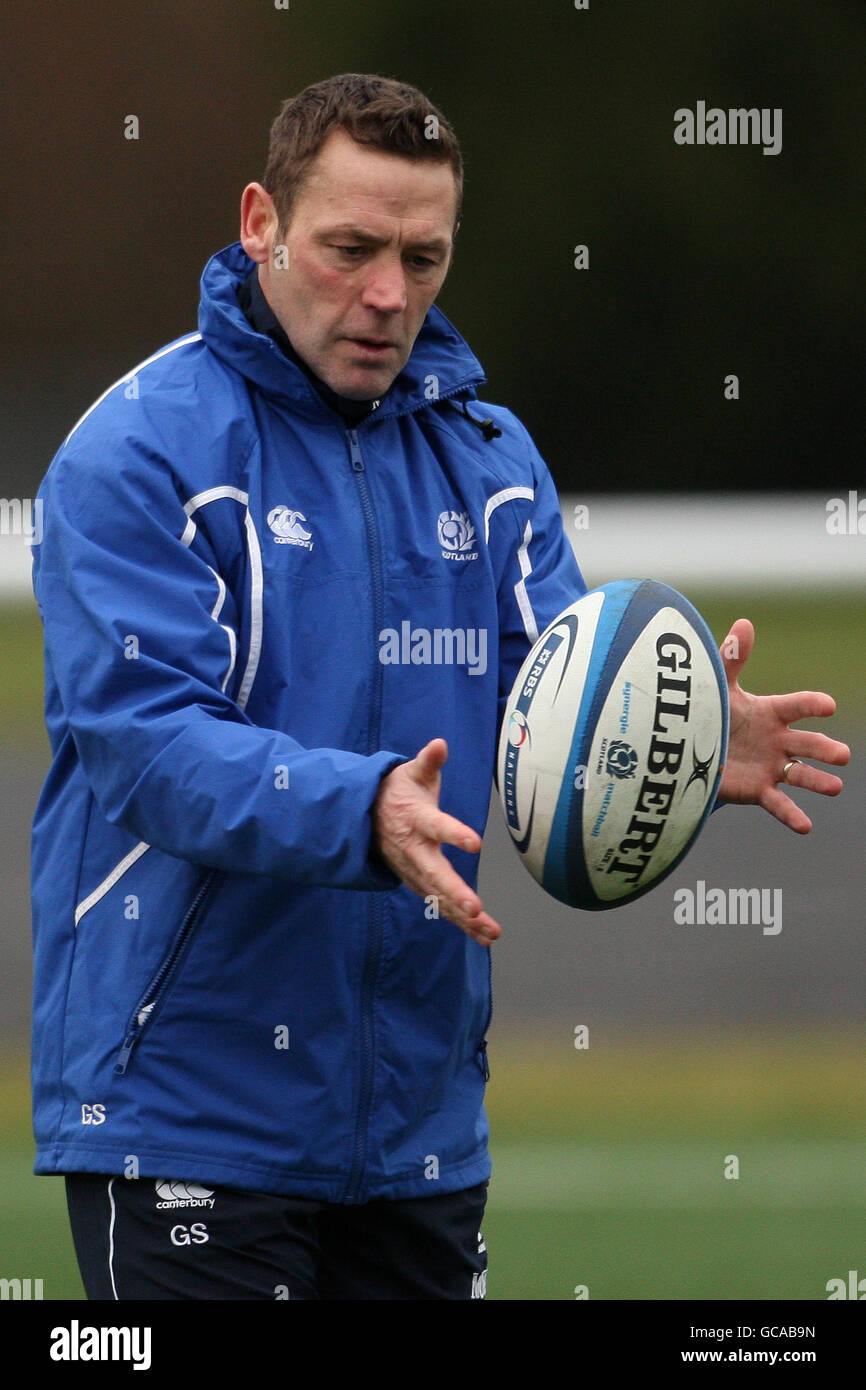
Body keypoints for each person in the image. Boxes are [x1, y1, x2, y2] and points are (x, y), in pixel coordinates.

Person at [30, 73, 849, 1301]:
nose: (386, 296)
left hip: (415, 1131)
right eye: (350, 248)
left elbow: (546, 701)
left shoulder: (491, 458)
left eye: (423, 257)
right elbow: (146, 744)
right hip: (184, 1116)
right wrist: (361, 808)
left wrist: (669, 740)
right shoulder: (137, 448)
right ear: (260, 223)